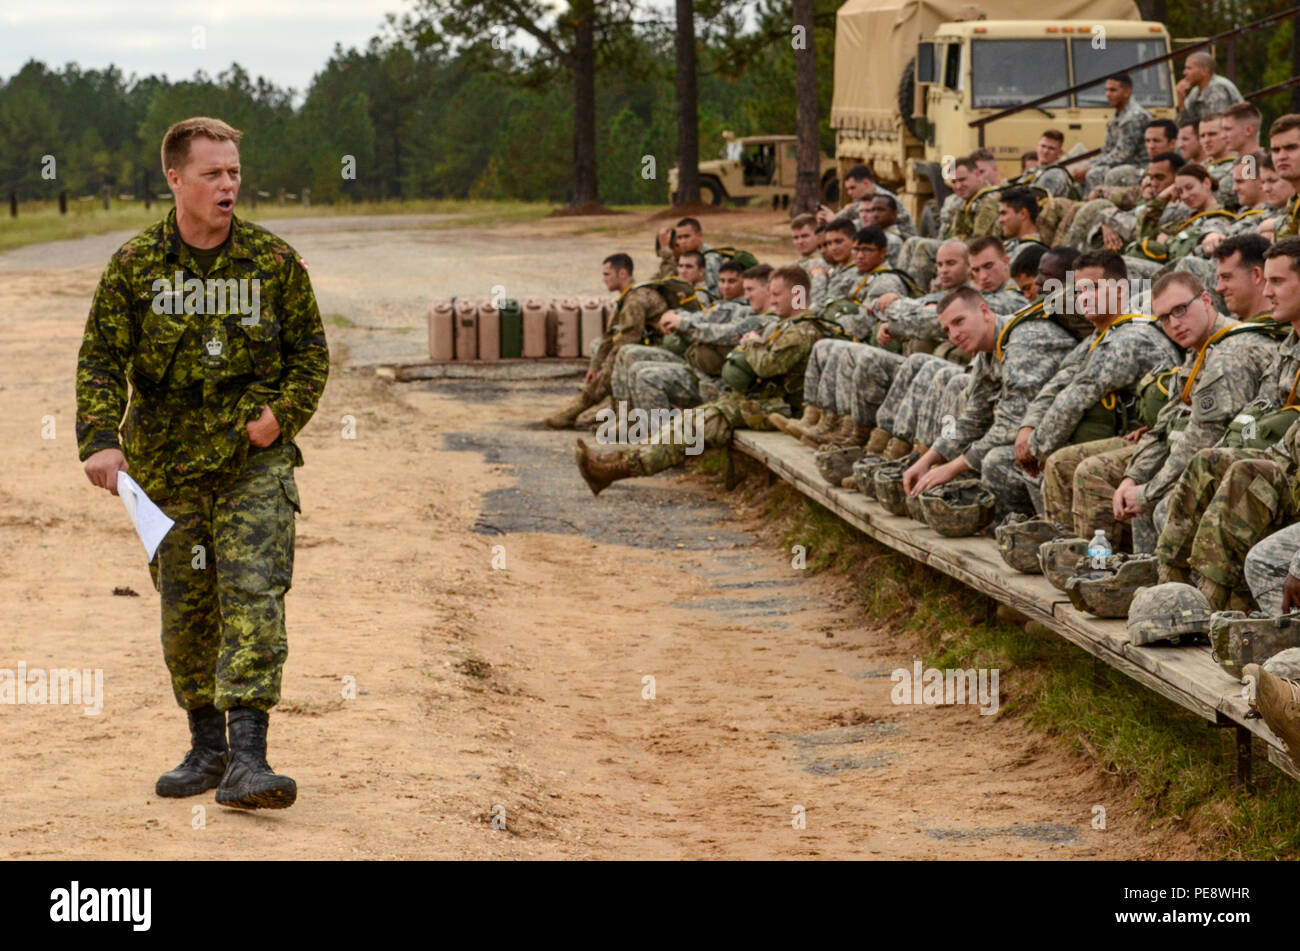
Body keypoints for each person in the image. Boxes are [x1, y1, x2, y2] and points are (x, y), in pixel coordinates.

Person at [76, 116, 329, 809]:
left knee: (253, 593)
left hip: (252, 462)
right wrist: (99, 437)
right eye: (213, 173)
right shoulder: (135, 267)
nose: (228, 185)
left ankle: (250, 755)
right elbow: (100, 356)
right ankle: (206, 748)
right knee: (186, 610)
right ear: (175, 177)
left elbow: (311, 353)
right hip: (165, 470)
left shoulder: (272, 262)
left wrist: (280, 416)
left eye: (235, 172)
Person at [1054, 272, 1278, 551]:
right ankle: (1137, 578)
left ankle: (1166, 588)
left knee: (1158, 505)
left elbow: (1202, 438)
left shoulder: (1230, 354)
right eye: (1164, 318)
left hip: (1247, 469)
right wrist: (1132, 477)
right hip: (1214, 464)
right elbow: (1164, 425)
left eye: (1180, 310)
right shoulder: (1201, 350)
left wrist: (1147, 492)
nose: (1174, 323)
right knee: (1138, 493)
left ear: (1206, 299)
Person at [574, 266, 826, 493]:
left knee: (691, 428)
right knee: (682, 421)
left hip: (776, 410)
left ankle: (615, 471)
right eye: (770, 293)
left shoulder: (802, 330)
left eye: (777, 295)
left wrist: (752, 344)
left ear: (796, 295)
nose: (771, 300)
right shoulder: (785, 325)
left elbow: (768, 366)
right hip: (754, 403)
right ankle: (611, 461)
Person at [1153, 240, 1300, 606]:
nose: (1267, 292)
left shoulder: (1247, 345)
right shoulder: (1290, 345)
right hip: (1286, 460)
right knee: (1209, 461)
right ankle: (1170, 591)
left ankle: (1211, 607)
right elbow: (1258, 413)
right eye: (1266, 281)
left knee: (1245, 475)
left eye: (1278, 282)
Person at [1010, 251, 1179, 521]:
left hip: (1152, 442)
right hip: (1125, 438)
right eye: (1079, 291)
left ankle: (1082, 551)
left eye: (1095, 288)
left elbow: (1077, 396)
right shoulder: (1102, 334)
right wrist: (1027, 426)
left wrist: (1036, 447)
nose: (1085, 297)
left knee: (1057, 462)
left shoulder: (1129, 338)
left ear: (1121, 290)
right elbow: (1061, 380)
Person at [899, 285, 1076, 517]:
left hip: (1073, 436)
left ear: (984, 311)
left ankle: (1030, 528)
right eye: (947, 330)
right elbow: (971, 419)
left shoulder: (1024, 340)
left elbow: (1011, 425)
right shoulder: (989, 352)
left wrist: (952, 467)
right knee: (963, 457)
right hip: (1045, 433)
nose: (954, 334)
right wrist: (931, 457)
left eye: (959, 321)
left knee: (994, 462)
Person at [543, 252, 669, 429]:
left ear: (623, 274)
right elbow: (609, 336)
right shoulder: (628, 296)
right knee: (603, 352)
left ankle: (575, 410)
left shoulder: (635, 300)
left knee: (618, 361)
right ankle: (611, 411)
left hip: (658, 351)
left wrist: (605, 368)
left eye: (607, 274)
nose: (603, 279)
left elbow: (627, 340)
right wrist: (595, 366)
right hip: (641, 347)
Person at [1075, 74, 1152, 191]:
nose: (1108, 94)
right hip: (1123, 165)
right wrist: (1087, 165)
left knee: (1094, 174)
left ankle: (1096, 206)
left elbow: (1123, 154)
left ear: (1127, 92)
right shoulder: (1116, 118)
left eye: (1113, 90)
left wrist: (1091, 167)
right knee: (1080, 170)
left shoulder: (1133, 117)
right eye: (1106, 90)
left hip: (1139, 167)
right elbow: (1107, 151)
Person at [817, 164, 916, 237]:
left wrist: (835, 221)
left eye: (852, 188)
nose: (849, 193)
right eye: (847, 189)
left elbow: (871, 223)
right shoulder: (865, 199)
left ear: (866, 183)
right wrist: (827, 219)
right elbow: (845, 214)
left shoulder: (882, 200)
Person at [1176, 51, 1244, 123]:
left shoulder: (1218, 88)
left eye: (1189, 68)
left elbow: (1219, 125)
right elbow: (1185, 125)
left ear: (1205, 71)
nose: (1184, 72)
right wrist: (1181, 98)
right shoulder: (1196, 92)